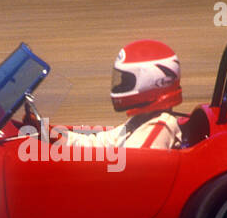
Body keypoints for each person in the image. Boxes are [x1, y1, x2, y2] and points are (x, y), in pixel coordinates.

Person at [53, 40, 185, 151]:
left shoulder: (160, 127)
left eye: (127, 81)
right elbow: (99, 144)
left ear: (156, 82)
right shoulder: (142, 120)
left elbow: (131, 174)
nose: (120, 86)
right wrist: (50, 135)